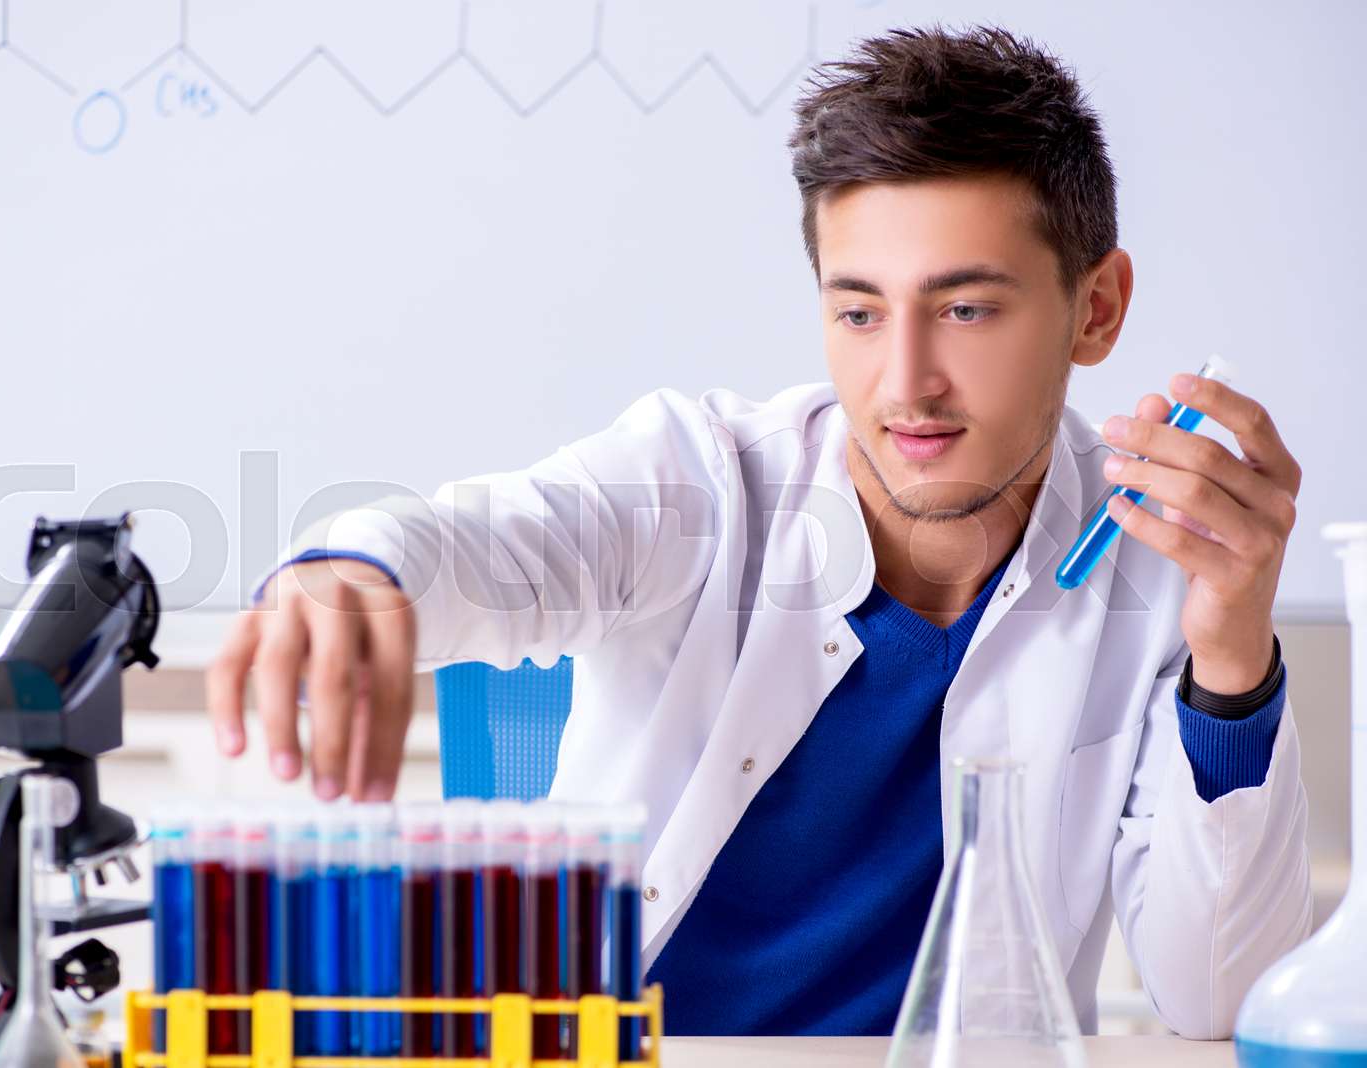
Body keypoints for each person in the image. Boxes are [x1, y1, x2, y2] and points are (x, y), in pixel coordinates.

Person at [205, 24, 1308, 1038]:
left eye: (967, 309)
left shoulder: (1157, 570)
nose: (905, 382)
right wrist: (350, 570)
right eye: (859, 310)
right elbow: (482, 541)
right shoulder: (703, 481)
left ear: (1096, 309)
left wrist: (1230, 653)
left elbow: (1216, 1000)